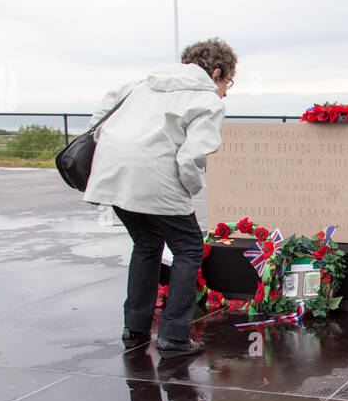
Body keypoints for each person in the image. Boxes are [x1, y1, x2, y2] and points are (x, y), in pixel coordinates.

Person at [84, 38, 237, 355]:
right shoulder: (207, 100)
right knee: (189, 247)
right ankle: (174, 335)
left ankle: (134, 329)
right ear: (217, 72)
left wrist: (117, 150)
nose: (225, 91)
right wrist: (191, 189)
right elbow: (190, 158)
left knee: (146, 243)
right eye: (227, 82)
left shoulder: (140, 84)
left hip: (114, 176)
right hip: (158, 179)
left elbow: (98, 122)